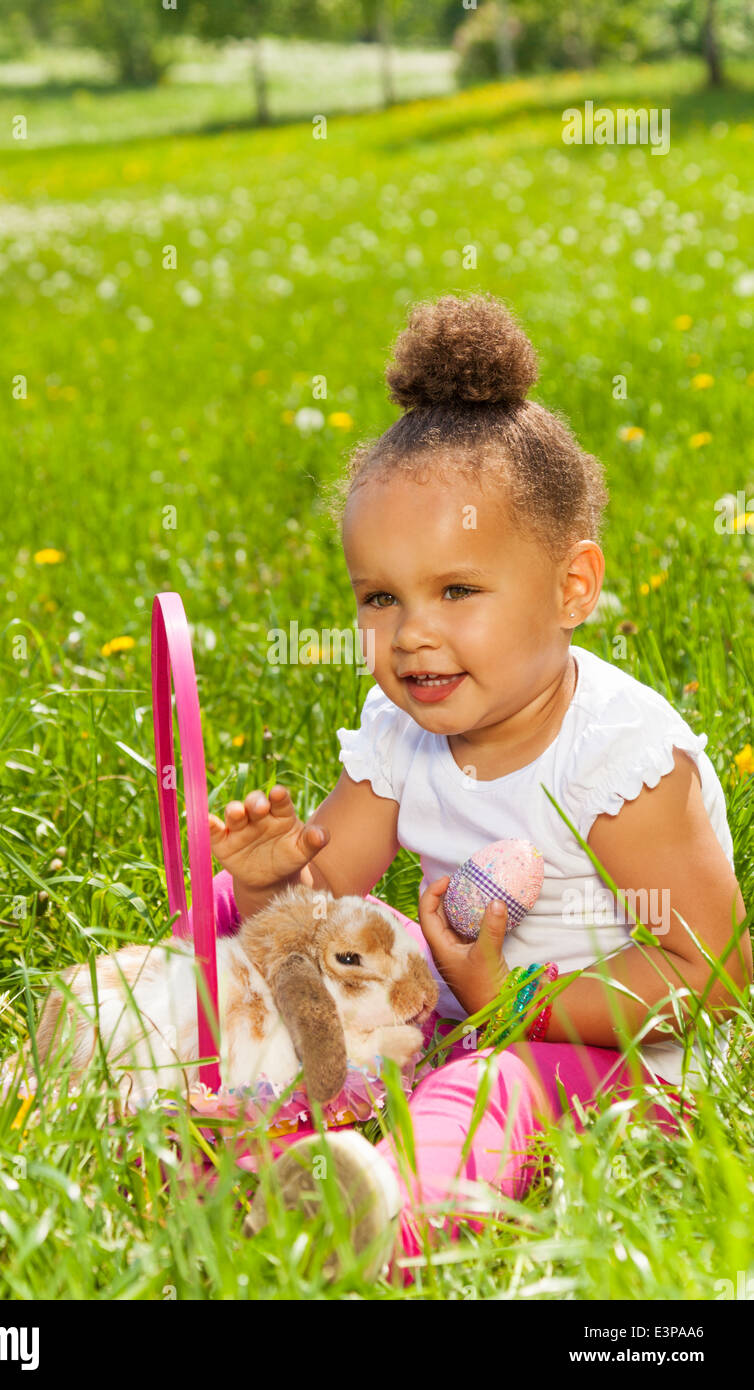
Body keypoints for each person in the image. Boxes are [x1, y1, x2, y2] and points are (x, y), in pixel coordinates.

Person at [204, 293, 751, 1282]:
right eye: (381, 597)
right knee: (343, 956)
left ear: (569, 587)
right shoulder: (401, 728)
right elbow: (334, 906)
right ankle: (232, 1120)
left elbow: (707, 975)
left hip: (616, 1053)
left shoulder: (617, 761)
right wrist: (265, 882)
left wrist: (514, 1002)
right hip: (460, 1002)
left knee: (494, 1083)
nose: (411, 633)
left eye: (456, 591)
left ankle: (378, 1212)